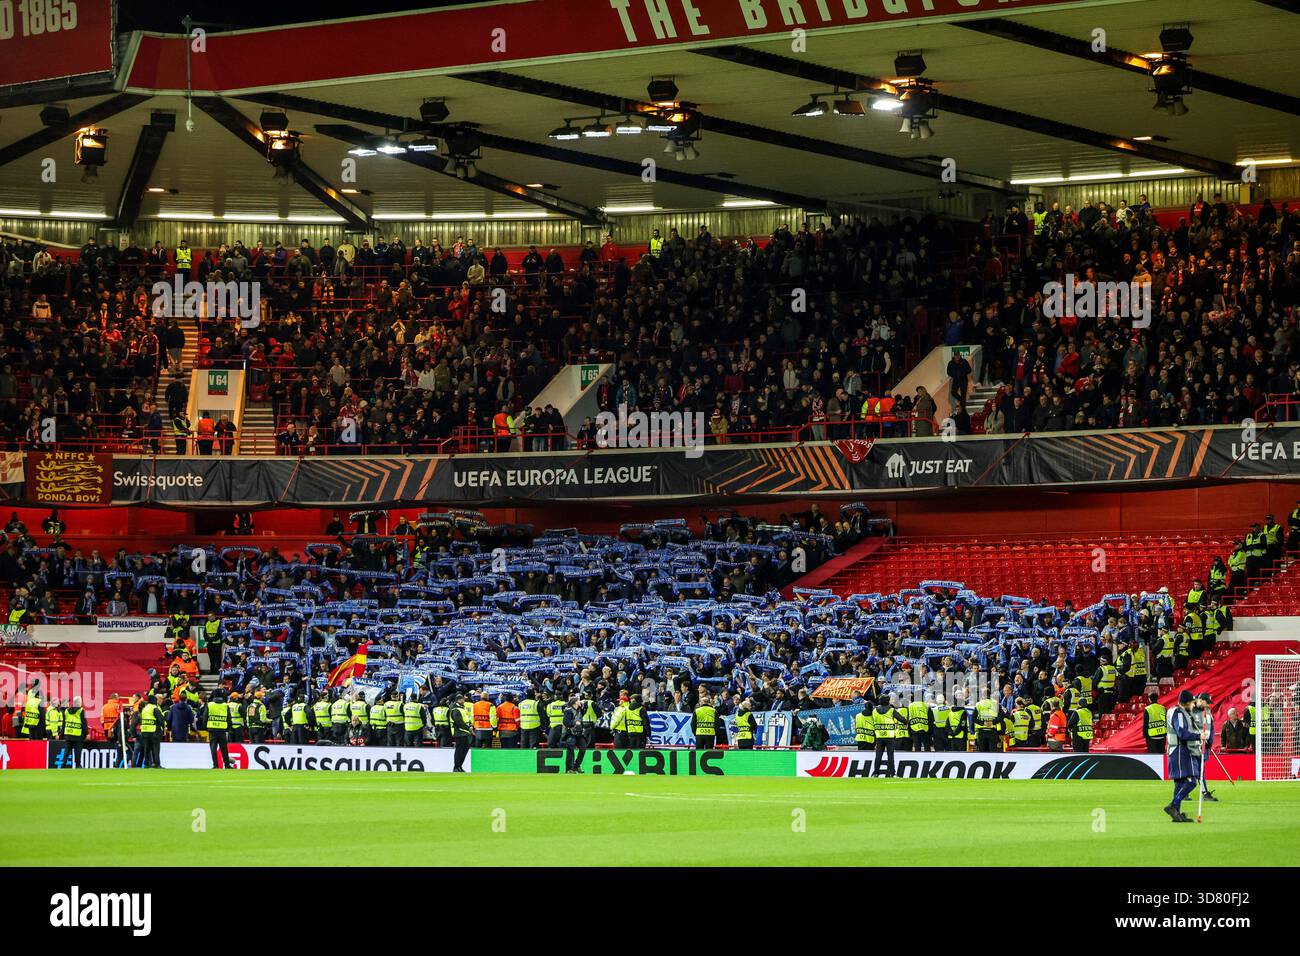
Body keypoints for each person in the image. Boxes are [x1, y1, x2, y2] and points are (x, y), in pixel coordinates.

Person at [1165, 690, 1200, 823]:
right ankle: (1173, 805)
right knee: (1191, 781)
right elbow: (1182, 733)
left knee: (1180, 783)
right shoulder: (1178, 712)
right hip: (1180, 750)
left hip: (1175, 750)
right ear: (1186, 703)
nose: (1193, 705)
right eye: (1191, 702)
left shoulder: (1176, 711)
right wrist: (1198, 736)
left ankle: (1176, 813)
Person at [1192, 692, 1217, 803]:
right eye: (1207, 703)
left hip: (1204, 745)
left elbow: (1211, 728)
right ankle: (1204, 793)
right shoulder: (1190, 711)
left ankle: (1186, 791)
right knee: (1198, 770)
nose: (1207, 706)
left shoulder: (1208, 712)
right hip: (1193, 745)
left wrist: (1210, 742)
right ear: (1201, 700)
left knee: (1199, 770)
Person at [201, 691, 231, 769]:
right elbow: (229, 718)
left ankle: (215, 765)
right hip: (222, 729)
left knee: (213, 748)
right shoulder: (225, 705)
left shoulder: (210, 705)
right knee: (224, 748)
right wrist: (228, 728)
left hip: (212, 729)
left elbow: (205, 717)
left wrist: (205, 727)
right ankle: (227, 765)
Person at [134, 693, 165, 768]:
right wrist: (163, 726)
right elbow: (160, 719)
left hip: (145, 731)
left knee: (147, 748)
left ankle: (147, 763)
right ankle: (156, 764)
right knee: (155, 748)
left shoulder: (145, 708)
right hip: (154, 731)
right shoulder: (154, 708)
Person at [561, 695, 586, 773]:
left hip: (579, 733)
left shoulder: (579, 710)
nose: (580, 702)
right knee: (570, 750)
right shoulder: (568, 710)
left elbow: (585, 708)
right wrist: (574, 723)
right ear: (574, 702)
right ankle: (569, 769)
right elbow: (565, 722)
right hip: (570, 733)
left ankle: (576, 766)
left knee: (583, 749)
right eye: (578, 701)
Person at [871, 700, 896, 776]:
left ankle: (876, 773)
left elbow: (873, 721)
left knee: (878, 755)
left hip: (879, 736)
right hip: (889, 737)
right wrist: (905, 722)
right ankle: (892, 773)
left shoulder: (874, 711)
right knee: (890, 755)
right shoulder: (891, 710)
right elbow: (900, 718)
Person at [62, 696, 87, 768]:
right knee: (77, 750)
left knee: (67, 749)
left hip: (68, 733)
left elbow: (64, 723)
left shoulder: (66, 711)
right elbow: (83, 723)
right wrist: (86, 733)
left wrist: (62, 733)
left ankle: (63, 763)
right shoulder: (81, 710)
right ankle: (78, 764)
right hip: (77, 734)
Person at [451, 694, 473, 772]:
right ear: (458, 700)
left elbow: (467, 719)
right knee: (459, 751)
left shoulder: (461, 709)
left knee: (464, 750)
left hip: (465, 732)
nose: (463, 701)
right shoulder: (455, 709)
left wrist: (470, 726)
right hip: (459, 732)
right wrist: (468, 728)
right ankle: (456, 767)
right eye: (462, 700)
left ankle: (459, 766)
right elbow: (459, 722)